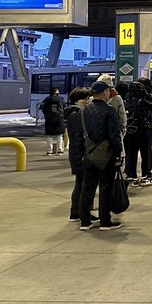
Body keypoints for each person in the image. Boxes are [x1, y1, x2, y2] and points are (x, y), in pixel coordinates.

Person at [79, 81, 124, 230]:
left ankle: (85, 221)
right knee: (105, 187)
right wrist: (118, 154)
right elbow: (114, 136)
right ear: (104, 93)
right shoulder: (109, 111)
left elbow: (80, 136)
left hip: (89, 154)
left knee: (87, 188)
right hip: (106, 155)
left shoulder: (84, 111)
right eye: (108, 91)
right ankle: (105, 221)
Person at [64, 86, 96, 224]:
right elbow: (78, 138)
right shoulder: (77, 115)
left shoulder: (74, 113)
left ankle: (77, 212)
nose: (88, 100)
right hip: (80, 153)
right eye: (86, 98)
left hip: (77, 153)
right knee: (84, 185)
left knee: (80, 183)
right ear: (79, 100)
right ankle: (82, 212)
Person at [123, 80, 152, 186]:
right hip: (143, 129)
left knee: (131, 153)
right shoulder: (146, 99)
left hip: (130, 130)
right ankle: (146, 174)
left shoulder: (126, 100)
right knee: (145, 152)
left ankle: (131, 174)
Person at [40, 88, 65, 155]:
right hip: (59, 120)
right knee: (59, 136)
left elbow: (44, 109)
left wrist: (48, 116)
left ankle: (49, 151)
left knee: (49, 136)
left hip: (49, 120)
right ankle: (60, 151)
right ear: (56, 93)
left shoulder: (47, 99)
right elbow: (64, 108)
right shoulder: (61, 99)